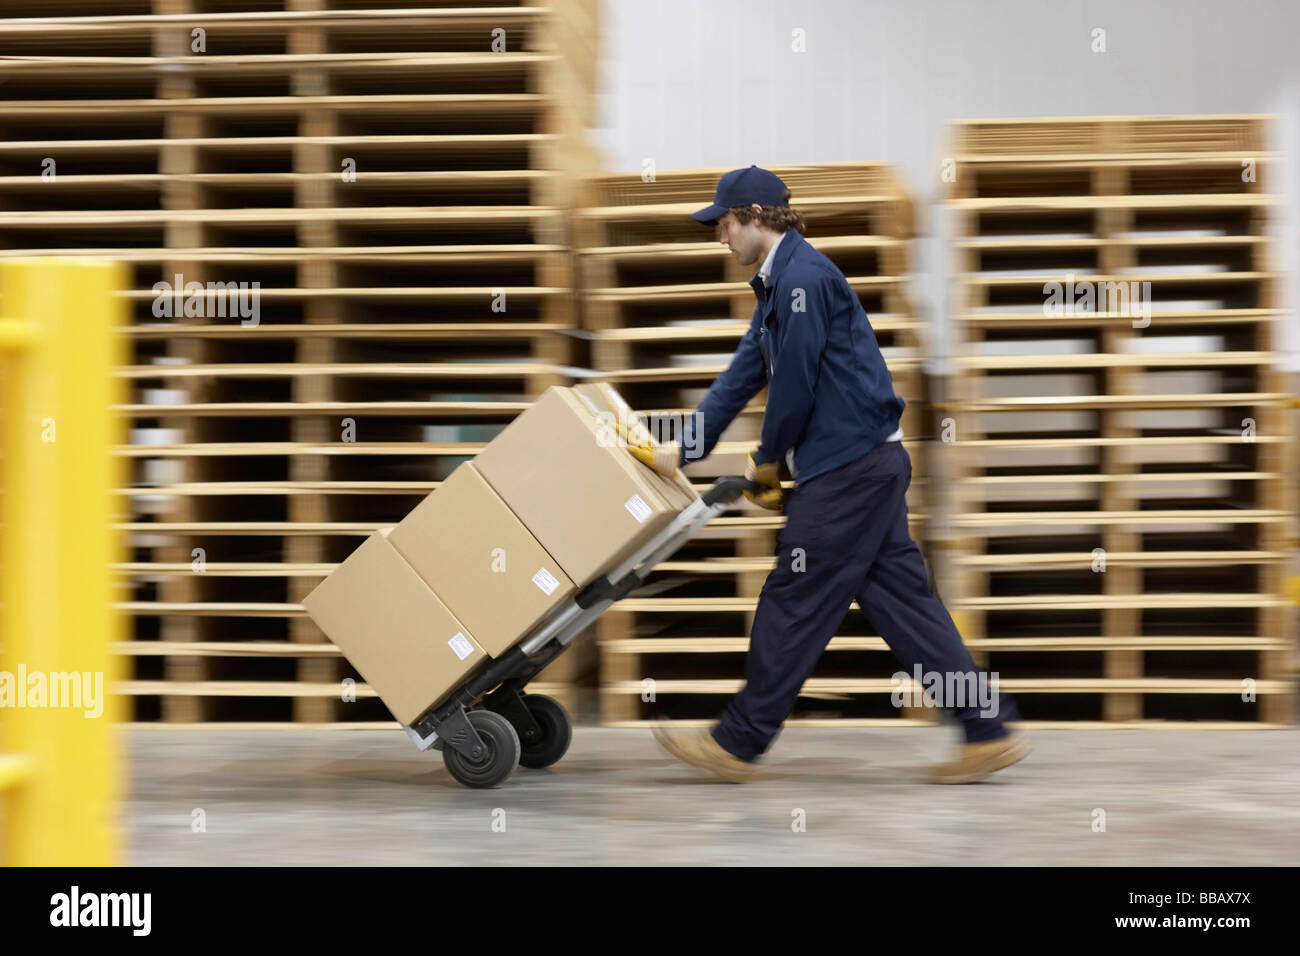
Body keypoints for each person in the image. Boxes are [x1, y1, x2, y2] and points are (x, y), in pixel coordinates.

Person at [652, 165, 1030, 784]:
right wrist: (685, 446)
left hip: (849, 474)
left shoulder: (803, 279)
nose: (719, 238)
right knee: (905, 606)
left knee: (793, 598)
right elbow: (746, 373)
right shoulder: (779, 287)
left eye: (721, 225)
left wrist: (768, 458)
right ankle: (987, 729)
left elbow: (794, 386)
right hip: (866, 469)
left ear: (752, 216)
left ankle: (738, 743)